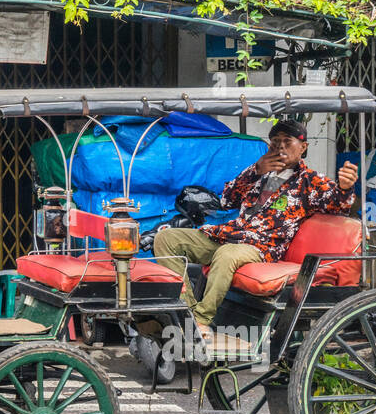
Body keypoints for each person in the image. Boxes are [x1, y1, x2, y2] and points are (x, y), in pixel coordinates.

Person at [153, 119, 358, 348]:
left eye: (287, 142)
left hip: (262, 247)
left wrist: (345, 188)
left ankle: (201, 320)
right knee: (166, 239)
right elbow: (227, 198)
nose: (279, 147)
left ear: (303, 147)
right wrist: (256, 170)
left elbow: (337, 204)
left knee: (227, 255)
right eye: (275, 142)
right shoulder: (258, 174)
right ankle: (186, 313)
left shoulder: (308, 181)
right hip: (229, 235)